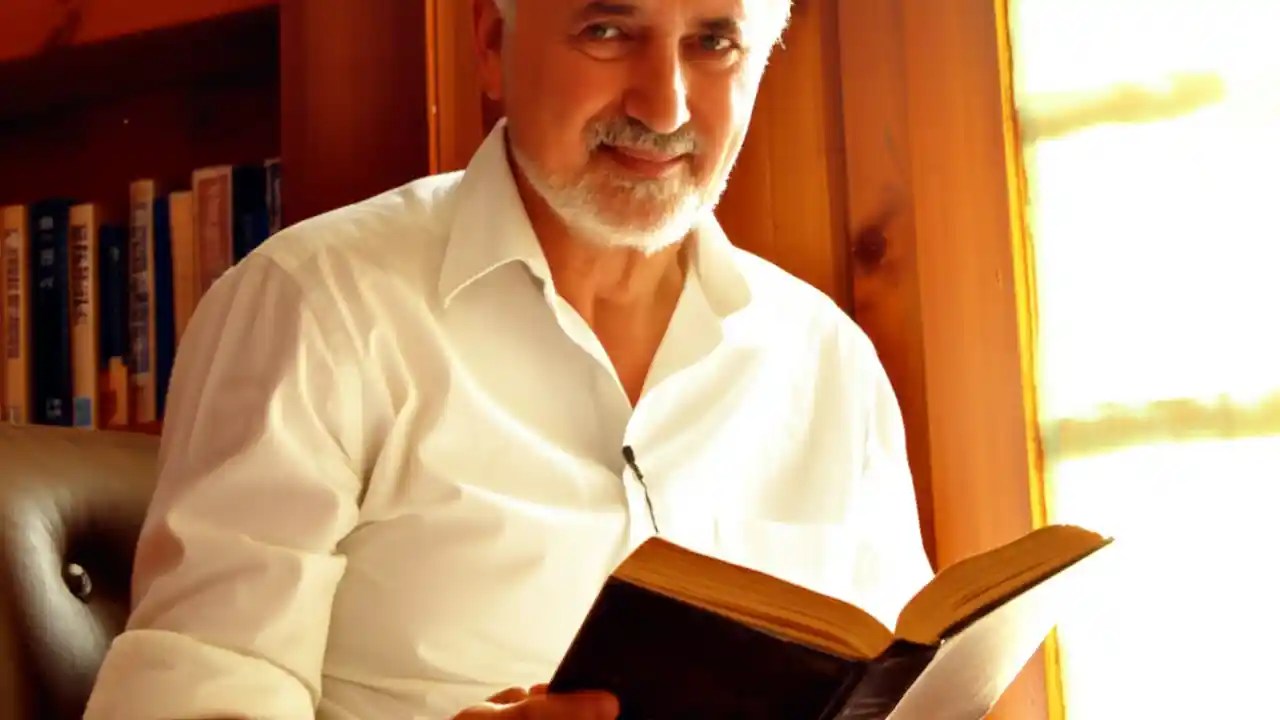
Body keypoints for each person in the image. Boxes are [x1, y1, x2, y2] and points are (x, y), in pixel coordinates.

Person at [85, 0, 933, 718]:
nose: (665, 105)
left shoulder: (827, 361)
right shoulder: (315, 306)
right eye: (608, 31)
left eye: (714, 43)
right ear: (493, 45)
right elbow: (190, 700)